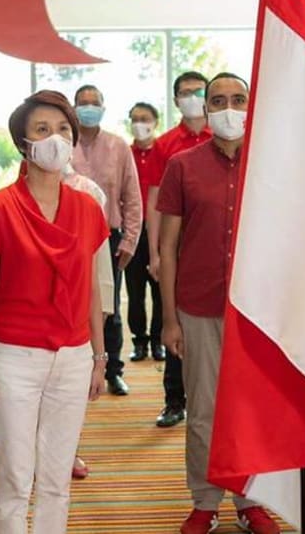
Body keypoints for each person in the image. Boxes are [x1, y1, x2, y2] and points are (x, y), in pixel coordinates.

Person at [0, 90, 108, 533]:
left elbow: (91, 289)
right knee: (14, 476)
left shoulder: (88, 207)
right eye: (43, 130)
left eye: (64, 130)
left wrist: (99, 359)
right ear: (23, 144)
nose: (56, 138)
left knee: (56, 479)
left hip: (73, 356)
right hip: (14, 357)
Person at [158, 73, 279, 534]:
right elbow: (167, 247)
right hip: (199, 305)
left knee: (252, 410)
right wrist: (169, 318)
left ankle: (252, 501)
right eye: (218, 100)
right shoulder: (182, 166)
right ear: (205, 109)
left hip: (257, 309)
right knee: (204, 409)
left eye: (238, 99)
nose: (229, 108)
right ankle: (206, 501)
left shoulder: (270, 164)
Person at [146, 70, 210, 428]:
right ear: (175, 100)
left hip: (214, 245)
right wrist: (155, 252)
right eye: (184, 92)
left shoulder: (226, 136)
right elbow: (156, 198)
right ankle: (174, 399)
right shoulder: (166, 144)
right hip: (177, 246)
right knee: (172, 322)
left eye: (197, 91)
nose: (191, 97)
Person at [70, 84, 142, 396]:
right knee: (73, 303)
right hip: (69, 237)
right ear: (73, 108)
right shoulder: (63, 145)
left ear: (103, 107)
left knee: (108, 306)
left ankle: (112, 370)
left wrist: (129, 241)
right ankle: (77, 368)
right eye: (82, 103)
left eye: (94, 103)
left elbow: (133, 197)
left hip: (109, 238)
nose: (88, 108)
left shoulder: (118, 146)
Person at [62, 161, 114, 481]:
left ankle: (69, 449)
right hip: (36, 311)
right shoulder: (15, 192)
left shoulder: (88, 191)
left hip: (81, 301)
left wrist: (103, 306)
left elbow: (100, 260)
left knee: (74, 386)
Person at [124, 102, 164, 363]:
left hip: (161, 232)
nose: (140, 123)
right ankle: (139, 341)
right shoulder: (124, 154)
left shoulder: (165, 151)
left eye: (145, 118)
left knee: (161, 290)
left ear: (155, 121)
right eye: (135, 119)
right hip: (133, 232)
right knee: (135, 291)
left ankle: (158, 340)